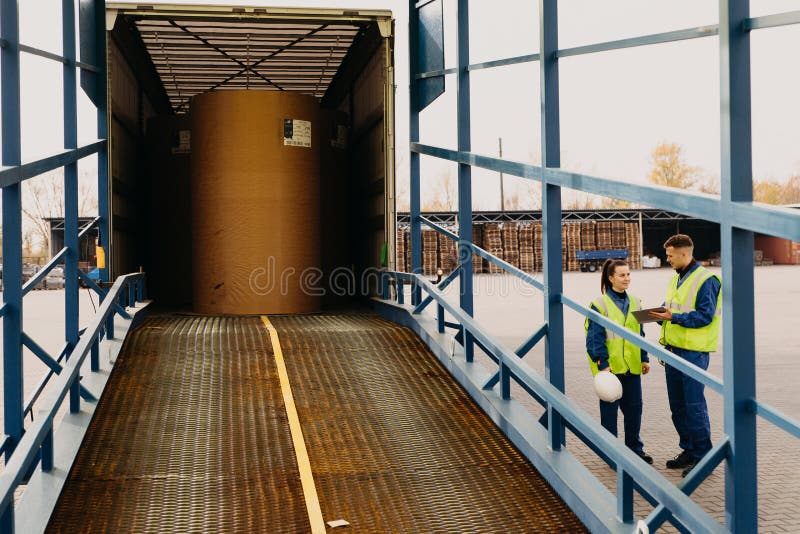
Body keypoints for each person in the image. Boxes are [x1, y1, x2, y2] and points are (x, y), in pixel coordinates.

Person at [648, 234, 721, 477]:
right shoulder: (675, 278)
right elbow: (672, 308)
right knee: (678, 406)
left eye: (670, 255)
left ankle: (703, 457)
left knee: (694, 406)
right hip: (674, 350)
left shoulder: (707, 280)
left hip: (693, 352)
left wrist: (674, 317)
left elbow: (705, 316)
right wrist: (658, 315)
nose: (667, 259)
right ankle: (689, 450)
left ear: (683, 254)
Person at [585, 258, 652, 464]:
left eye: (628, 274)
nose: (627, 278)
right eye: (622, 275)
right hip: (610, 369)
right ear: (611, 278)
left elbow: (640, 333)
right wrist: (602, 364)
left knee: (634, 410)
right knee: (609, 413)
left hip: (632, 367)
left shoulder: (636, 302)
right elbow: (594, 339)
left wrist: (644, 358)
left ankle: (634, 448)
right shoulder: (599, 304)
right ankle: (610, 452)